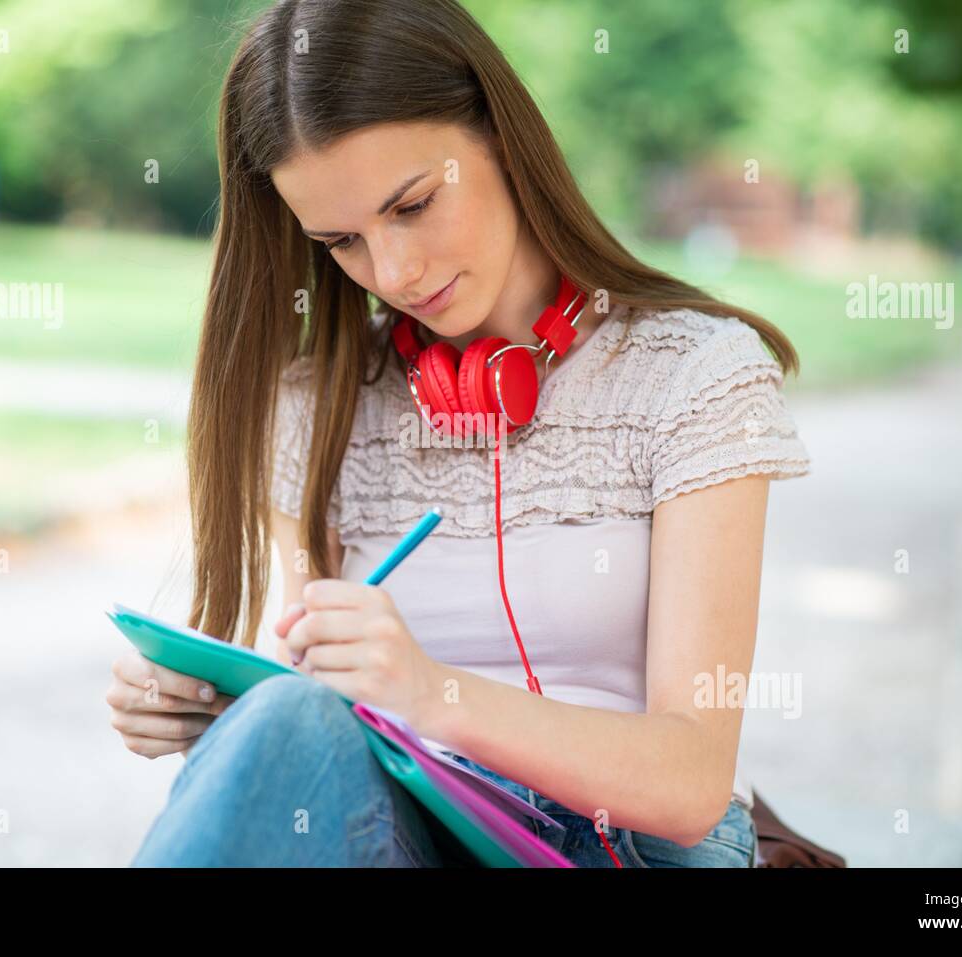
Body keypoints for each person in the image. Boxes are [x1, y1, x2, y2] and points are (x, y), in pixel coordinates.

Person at [107, 0, 811, 867]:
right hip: (420, 827)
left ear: (500, 134)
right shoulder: (318, 405)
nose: (393, 273)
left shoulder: (696, 373)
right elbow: (322, 699)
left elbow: (693, 780)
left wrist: (431, 690)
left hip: (637, 846)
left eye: (412, 204)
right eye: (341, 242)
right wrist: (229, 724)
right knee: (287, 720)